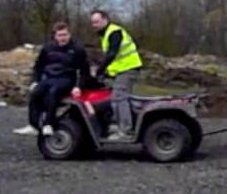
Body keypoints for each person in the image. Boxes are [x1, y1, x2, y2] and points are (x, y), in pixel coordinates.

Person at [13, 22, 88, 136]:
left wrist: (78, 86)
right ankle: (33, 125)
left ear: (69, 34)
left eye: (65, 35)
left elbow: (84, 71)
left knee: (53, 92)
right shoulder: (48, 48)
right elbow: (39, 66)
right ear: (55, 36)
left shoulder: (77, 49)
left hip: (66, 79)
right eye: (60, 35)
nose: (63, 38)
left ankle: (49, 124)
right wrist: (35, 81)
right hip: (50, 77)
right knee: (36, 92)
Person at [90, 9, 143, 141]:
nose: (94, 25)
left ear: (105, 20)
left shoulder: (114, 32)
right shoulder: (106, 34)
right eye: (92, 22)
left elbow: (112, 54)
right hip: (121, 70)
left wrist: (100, 70)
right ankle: (115, 124)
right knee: (113, 97)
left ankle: (125, 130)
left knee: (119, 97)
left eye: (97, 21)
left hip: (128, 68)